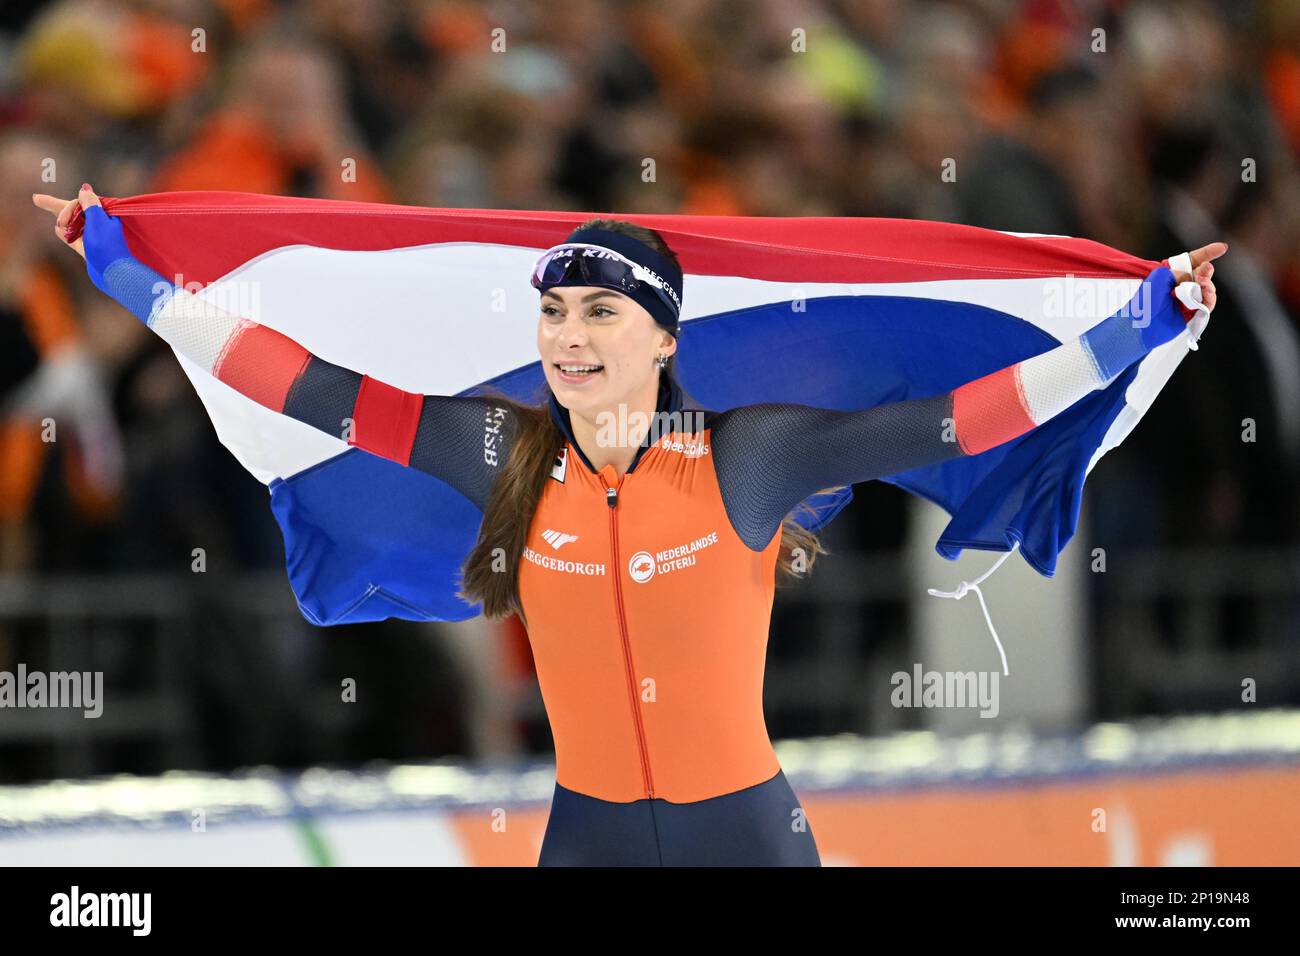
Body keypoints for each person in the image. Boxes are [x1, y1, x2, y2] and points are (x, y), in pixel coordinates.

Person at [34, 185, 1222, 866]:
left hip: (747, 836)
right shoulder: (495, 448)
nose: (567, 333)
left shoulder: (750, 456)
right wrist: (128, 278)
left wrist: (1137, 326)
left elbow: (961, 419)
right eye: (553, 311)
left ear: (663, 338)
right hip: (586, 839)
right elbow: (299, 384)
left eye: (599, 309)